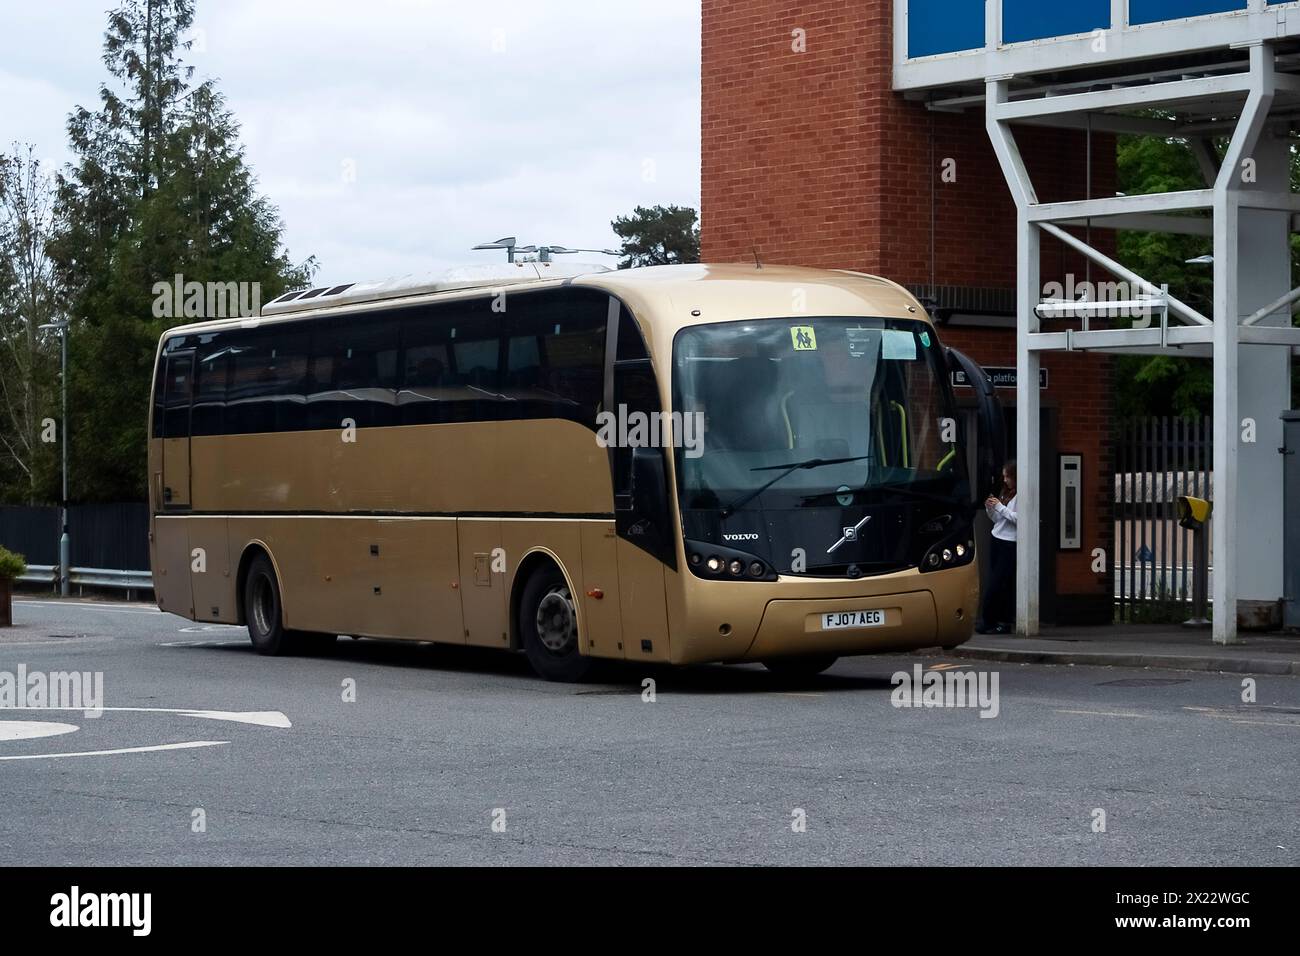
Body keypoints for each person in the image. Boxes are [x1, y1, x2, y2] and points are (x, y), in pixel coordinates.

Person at [979, 461, 1017, 635]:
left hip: (1010, 543)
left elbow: (1018, 519)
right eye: (1004, 476)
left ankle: (994, 621)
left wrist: (1000, 507)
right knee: (997, 582)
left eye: (1007, 476)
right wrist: (991, 509)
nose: (1005, 480)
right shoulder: (1007, 493)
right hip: (998, 538)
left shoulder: (1020, 495)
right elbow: (999, 520)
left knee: (998, 583)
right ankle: (994, 621)